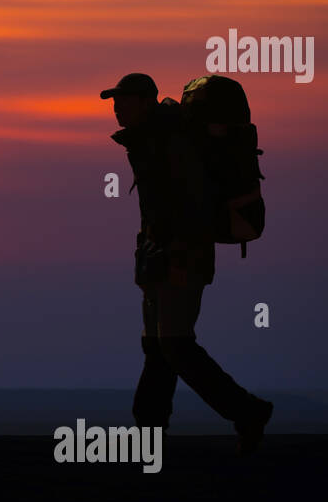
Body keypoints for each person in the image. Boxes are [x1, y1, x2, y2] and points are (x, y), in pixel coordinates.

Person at [102, 72, 272, 454]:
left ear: (146, 102)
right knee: (160, 350)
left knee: (176, 348)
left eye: (124, 101)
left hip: (180, 259)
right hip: (158, 258)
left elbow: (190, 204)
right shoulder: (150, 140)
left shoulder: (170, 142)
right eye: (115, 102)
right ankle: (149, 434)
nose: (117, 109)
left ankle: (248, 412)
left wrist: (178, 256)